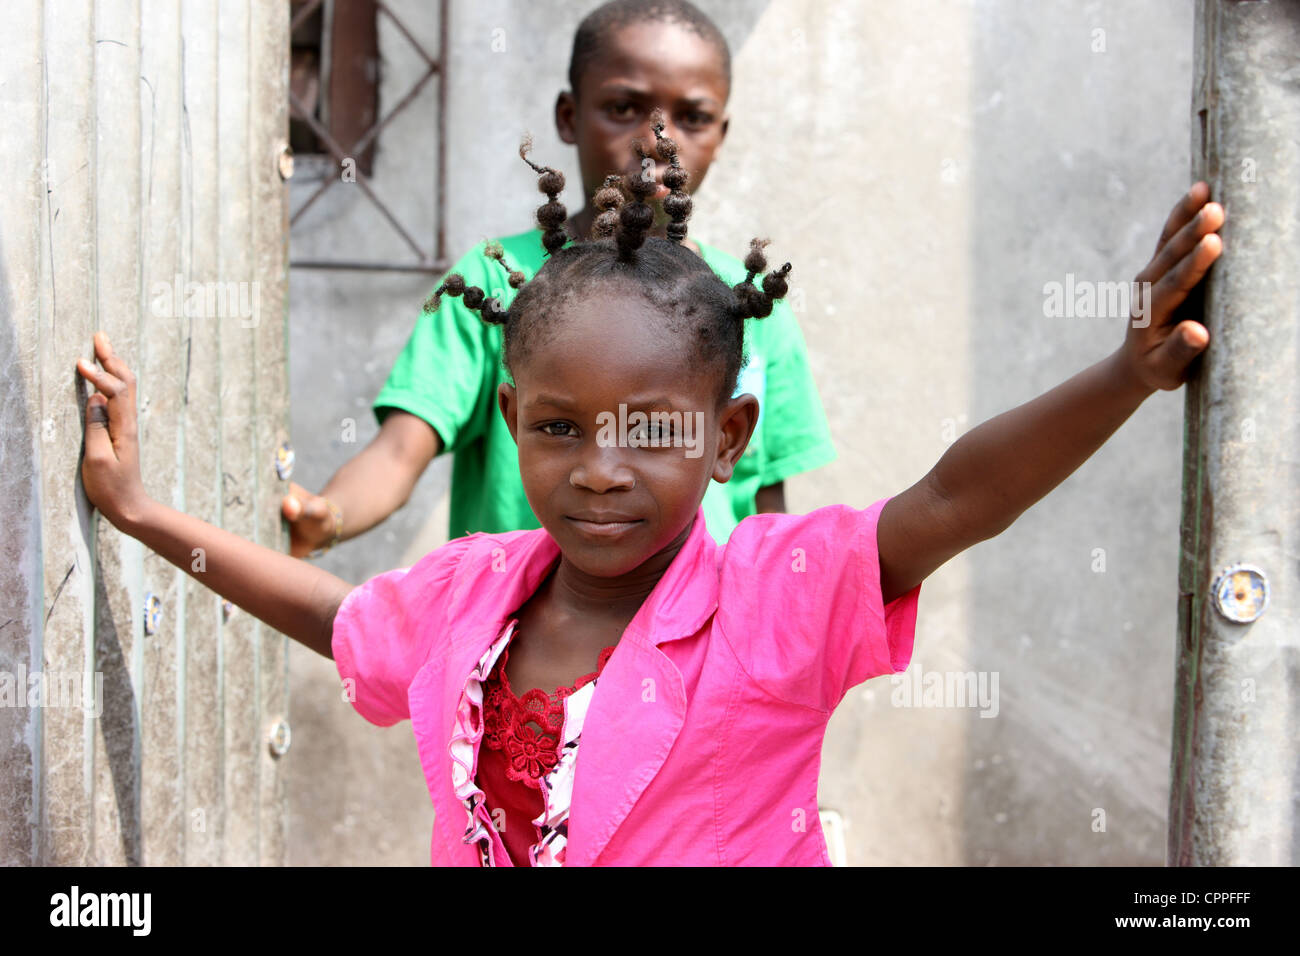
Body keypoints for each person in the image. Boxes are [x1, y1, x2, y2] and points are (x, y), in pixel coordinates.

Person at [76, 126, 1224, 865]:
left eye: (652, 430)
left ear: (726, 437)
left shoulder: (770, 597)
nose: (601, 468)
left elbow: (955, 496)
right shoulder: (475, 594)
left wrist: (1124, 373)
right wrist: (137, 511)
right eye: (558, 427)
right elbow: (334, 615)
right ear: (514, 420)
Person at [281, 0, 836, 553]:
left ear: (721, 132)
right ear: (569, 117)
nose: (655, 142)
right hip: (524, 627)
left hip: (697, 630)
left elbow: (766, 510)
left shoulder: (749, 303)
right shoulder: (503, 282)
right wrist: (326, 517)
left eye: (692, 118)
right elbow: (400, 452)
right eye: (623, 107)